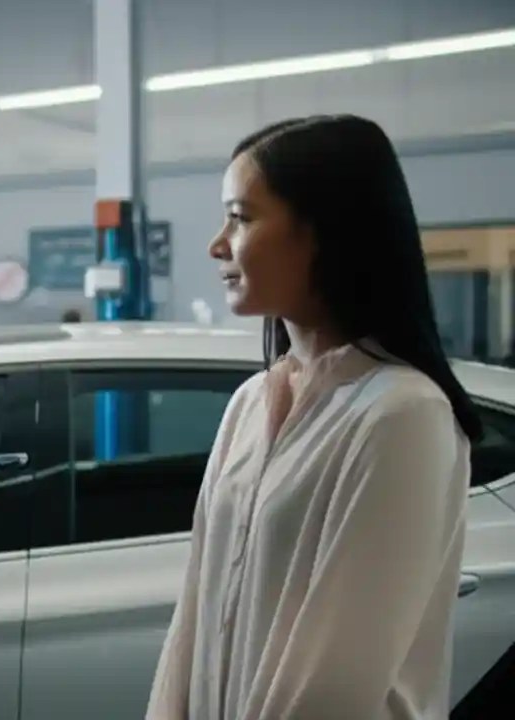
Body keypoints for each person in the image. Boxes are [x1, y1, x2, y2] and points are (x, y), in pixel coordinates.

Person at [146, 115, 483, 719]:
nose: (217, 243)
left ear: (326, 232)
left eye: (241, 217)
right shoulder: (251, 402)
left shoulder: (401, 414)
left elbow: (335, 684)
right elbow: (191, 623)